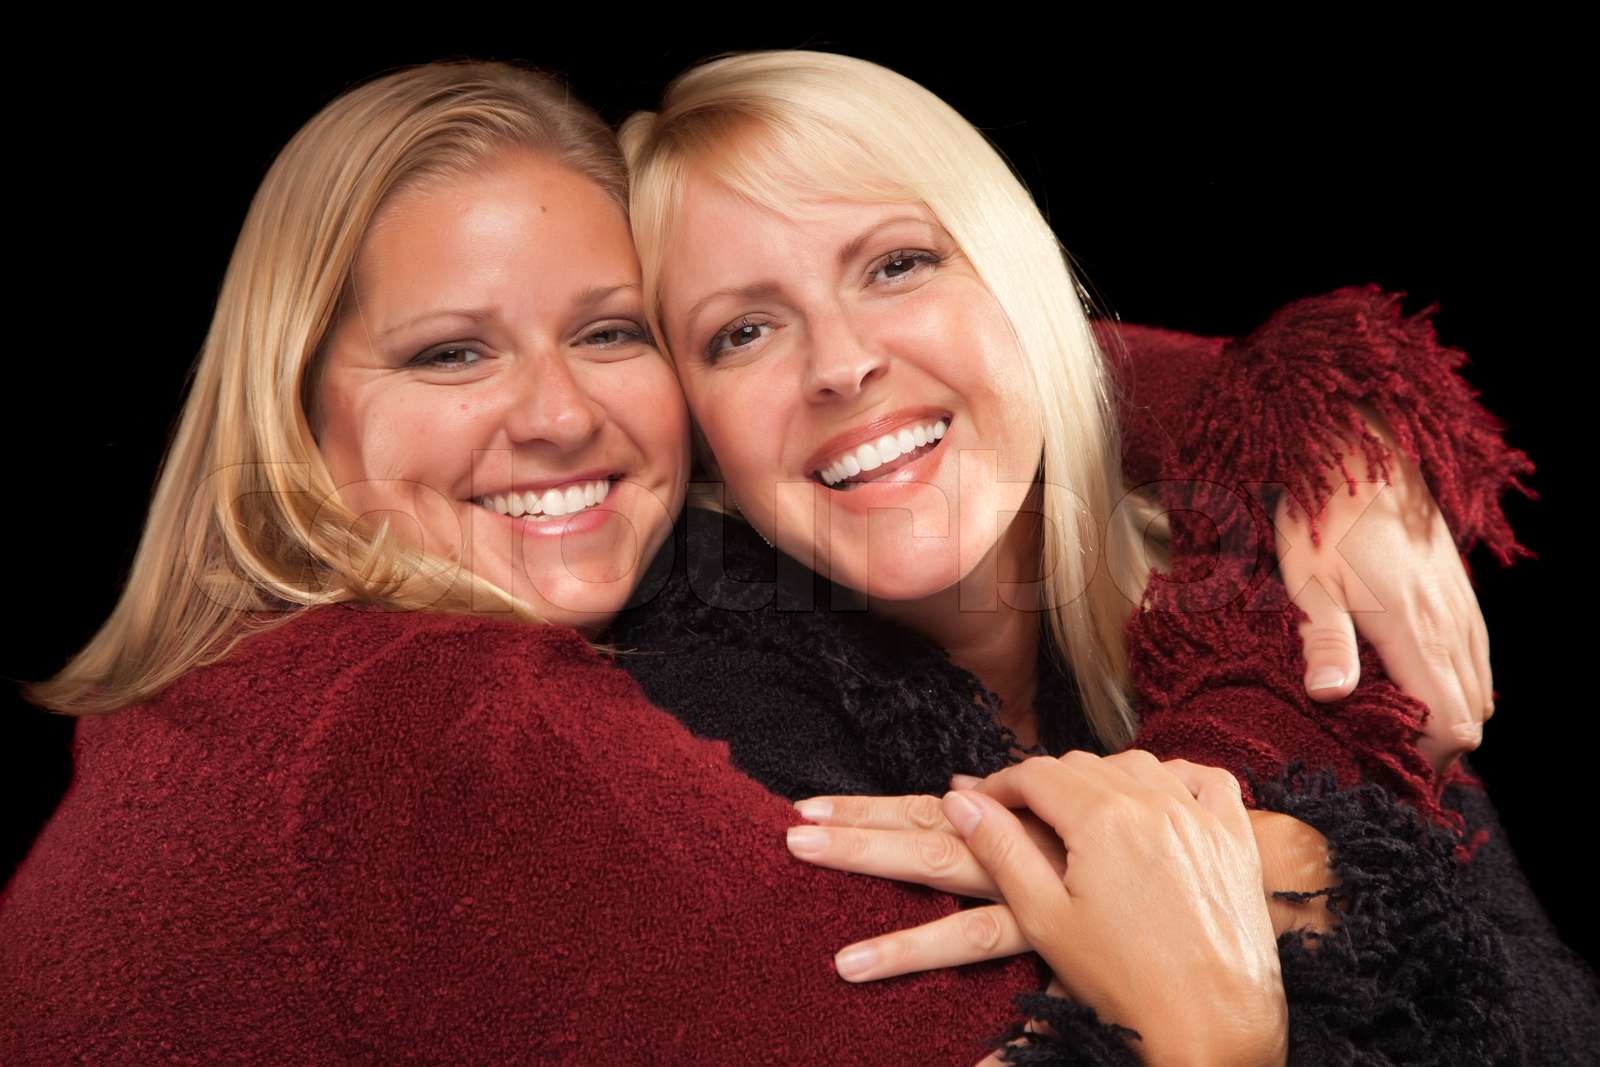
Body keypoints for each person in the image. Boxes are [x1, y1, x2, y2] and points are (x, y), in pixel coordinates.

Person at [0, 58, 1296, 1066]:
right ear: (294, 414)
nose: (560, 415)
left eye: (611, 333)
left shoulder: (235, 703)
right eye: (451, 351)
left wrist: (1311, 416)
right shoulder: (434, 720)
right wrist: (1232, 995)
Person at [612, 48, 1600, 1059]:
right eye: (740, 331)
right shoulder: (693, 721)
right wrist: (1294, 887)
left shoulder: (1263, 585)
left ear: (1017, 276)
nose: (840, 362)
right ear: (695, 431)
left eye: (897, 264)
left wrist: (1262, 858)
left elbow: (1551, 1021)